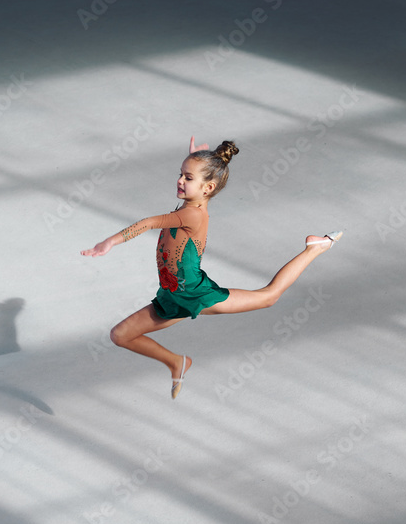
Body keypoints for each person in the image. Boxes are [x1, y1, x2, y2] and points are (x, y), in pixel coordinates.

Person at [81, 138, 341, 399]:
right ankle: (176, 362)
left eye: (188, 178)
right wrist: (201, 161)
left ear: (208, 188)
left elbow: (150, 222)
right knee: (120, 335)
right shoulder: (190, 205)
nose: (180, 181)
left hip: (195, 293)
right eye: (181, 175)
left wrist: (110, 242)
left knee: (269, 296)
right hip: (172, 294)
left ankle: (314, 248)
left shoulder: (192, 214)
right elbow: (194, 189)